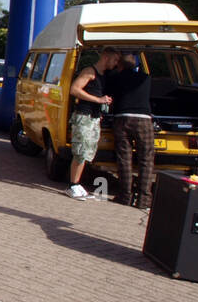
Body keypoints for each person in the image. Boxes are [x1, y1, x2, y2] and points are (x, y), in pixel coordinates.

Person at [66, 46, 119, 199]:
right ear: (106, 57)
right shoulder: (89, 72)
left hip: (94, 117)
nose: (116, 63)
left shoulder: (103, 75)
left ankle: (76, 183)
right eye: (115, 59)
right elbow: (74, 89)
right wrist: (98, 100)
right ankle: (72, 185)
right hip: (84, 116)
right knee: (80, 151)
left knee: (87, 151)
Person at [106, 52, 155, 208]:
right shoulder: (145, 79)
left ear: (120, 65)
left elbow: (109, 93)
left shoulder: (115, 78)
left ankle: (125, 196)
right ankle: (144, 199)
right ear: (135, 65)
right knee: (146, 159)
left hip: (122, 117)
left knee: (124, 159)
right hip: (144, 119)